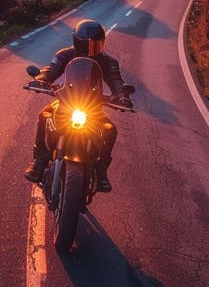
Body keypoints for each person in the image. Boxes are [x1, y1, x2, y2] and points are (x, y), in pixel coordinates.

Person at [24, 18, 132, 192]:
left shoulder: (108, 61)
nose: (92, 49)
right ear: (77, 42)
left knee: (110, 130)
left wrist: (122, 95)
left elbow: (116, 80)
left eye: (96, 45)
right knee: (44, 116)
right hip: (66, 100)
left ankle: (101, 171)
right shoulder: (65, 55)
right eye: (88, 45)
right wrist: (41, 80)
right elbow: (50, 70)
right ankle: (39, 160)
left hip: (92, 106)